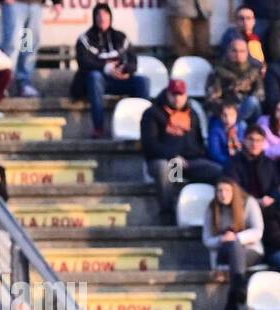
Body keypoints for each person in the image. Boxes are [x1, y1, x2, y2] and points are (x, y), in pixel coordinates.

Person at [140, 78, 223, 216]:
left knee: (218, 171)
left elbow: (198, 142)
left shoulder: (192, 114)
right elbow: (150, 145)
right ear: (167, 94)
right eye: (174, 94)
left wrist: (196, 155)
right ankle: (167, 213)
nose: (177, 98)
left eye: (181, 95)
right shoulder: (152, 114)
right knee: (164, 168)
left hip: (190, 161)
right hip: (167, 161)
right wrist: (173, 156)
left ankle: (216, 215)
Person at [73, 3, 148, 139]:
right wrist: (105, 68)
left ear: (110, 17)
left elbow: (133, 61)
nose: (102, 18)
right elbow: (84, 63)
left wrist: (125, 71)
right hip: (94, 83)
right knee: (95, 77)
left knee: (142, 81)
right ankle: (99, 128)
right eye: (98, 15)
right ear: (94, 18)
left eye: (105, 15)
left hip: (118, 80)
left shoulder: (120, 37)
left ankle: (143, 126)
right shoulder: (84, 39)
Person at [204, 178, 264, 310]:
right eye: (219, 191)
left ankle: (233, 297)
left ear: (234, 191)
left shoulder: (249, 203)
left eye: (226, 190)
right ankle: (240, 288)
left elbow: (258, 231)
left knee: (235, 246)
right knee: (234, 246)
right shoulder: (212, 208)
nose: (223, 194)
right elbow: (207, 239)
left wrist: (236, 237)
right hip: (223, 252)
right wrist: (222, 239)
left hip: (251, 251)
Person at [207, 36, 266, 125]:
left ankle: (235, 126)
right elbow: (212, 98)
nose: (238, 54)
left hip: (249, 110)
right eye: (234, 51)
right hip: (226, 111)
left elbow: (260, 94)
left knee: (252, 101)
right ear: (228, 52)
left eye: (242, 51)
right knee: (241, 124)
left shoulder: (254, 70)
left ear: (247, 53)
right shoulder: (218, 71)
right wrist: (230, 109)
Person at [0, 0, 51, 97]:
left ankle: (24, 83)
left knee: (28, 45)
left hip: (36, 4)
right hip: (15, 4)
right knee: (12, 44)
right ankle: (4, 83)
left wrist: (57, 2)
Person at [226, 125, 279, 202]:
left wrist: (269, 199)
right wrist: (255, 202)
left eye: (258, 140)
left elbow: (276, 187)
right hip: (242, 204)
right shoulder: (234, 162)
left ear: (263, 142)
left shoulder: (269, 164)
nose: (254, 144)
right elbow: (233, 187)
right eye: (251, 139)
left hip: (268, 206)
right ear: (244, 140)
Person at [206, 99, 246, 167]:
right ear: (220, 115)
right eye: (224, 115)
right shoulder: (215, 130)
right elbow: (215, 153)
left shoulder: (242, 126)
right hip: (224, 161)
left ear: (237, 115)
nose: (228, 118)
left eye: (231, 115)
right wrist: (230, 163)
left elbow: (244, 144)